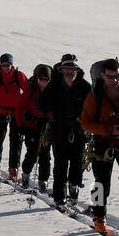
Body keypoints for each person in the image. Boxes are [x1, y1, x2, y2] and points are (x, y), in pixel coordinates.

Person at [81, 57, 119, 235]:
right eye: (110, 76)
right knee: (100, 183)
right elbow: (85, 123)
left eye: (116, 76)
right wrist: (107, 129)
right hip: (102, 143)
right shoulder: (95, 96)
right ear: (102, 76)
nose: (114, 80)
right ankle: (98, 217)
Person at [40, 53, 91, 210]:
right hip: (59, 129)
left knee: (77, 163)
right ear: (62, 70)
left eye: (72, 68)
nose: (70, 71)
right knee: (60, 165)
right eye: (67, 68)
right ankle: (59, 198)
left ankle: (74, 188)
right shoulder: (54, 85)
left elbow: (93, 108)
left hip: (79, 130)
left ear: (76, 69)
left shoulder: (84, 86)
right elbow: (42, 106)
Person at [15, 63, 53, 190]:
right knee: (32, 152)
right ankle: (26, 174)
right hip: (32, 126)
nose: (43, 82)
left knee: (45, 155)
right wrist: (21, 125)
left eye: (46, 79)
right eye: (41, 79)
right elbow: (20, 108)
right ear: (37, 78)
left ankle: (43, 180)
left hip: (47, 127)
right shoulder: (30, 90)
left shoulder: (53, 92)